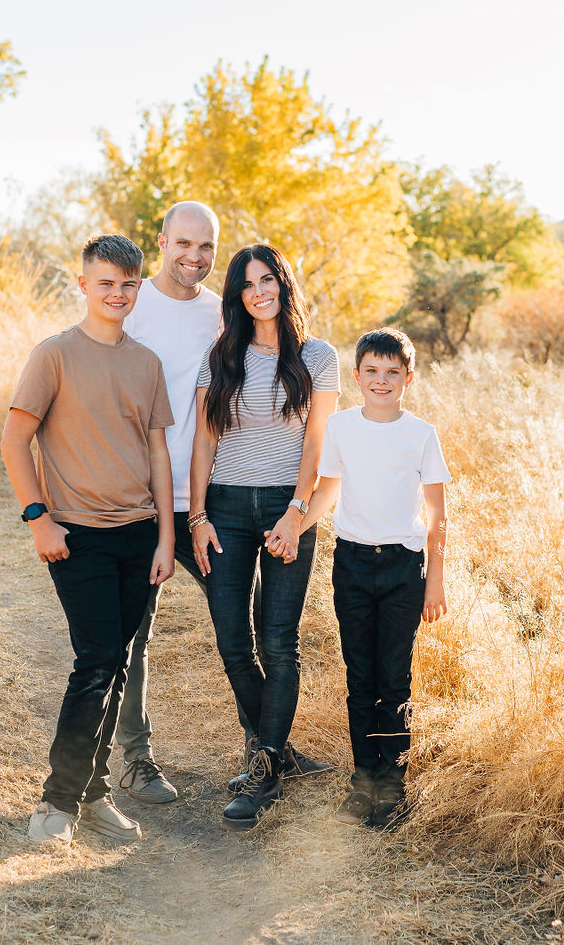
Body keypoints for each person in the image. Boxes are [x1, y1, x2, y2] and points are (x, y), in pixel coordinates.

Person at [1, 233, 176, 845]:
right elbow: (13, 440)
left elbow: (158, 453)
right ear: (83, 285)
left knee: (118, 665)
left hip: (140, 535)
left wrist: (166, 537)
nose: (117, 294)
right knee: (96, 660)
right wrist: (38, 518)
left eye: (128, 284)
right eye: (106, 283)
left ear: (138, 288)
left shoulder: (146, 363)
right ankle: (56, 803)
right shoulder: (53, 356)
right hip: (77, 535)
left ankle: (94, 794)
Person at [189, 243, 339, 829]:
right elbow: (205, 441)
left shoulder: (317, 357)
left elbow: (317, 441)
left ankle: (264, 770)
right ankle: (275, 752)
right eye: (248, 284)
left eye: (268, 279)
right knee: (232, 641)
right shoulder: (221, 356)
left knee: (278, 642)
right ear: (237, 295)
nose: (259, 291)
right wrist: (198, 516)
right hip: (225, 506)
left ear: (284, 284)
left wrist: (296, 514)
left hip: (285, 505)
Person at [299, 327, 450, 828]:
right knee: (361, 678)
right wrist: (294, 525)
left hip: (404, 569)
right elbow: (327, 490)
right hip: (354, 565)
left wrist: (435, 581)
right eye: (371, 371)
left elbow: (437, 515)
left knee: (394, 679)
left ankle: (392, 786)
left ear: (408, 378)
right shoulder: (341, 428)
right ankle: (363, 783)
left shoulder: (421, 434)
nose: (381, 380)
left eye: (392, 372)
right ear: (357, 375)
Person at [112, 200, 223, 806]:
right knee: (133, 635)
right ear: (161, 243)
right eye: (183, 243)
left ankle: (267, 749)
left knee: (246, 621)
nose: (194, 257)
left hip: (206, 500)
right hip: (139, 498)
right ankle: (135, 760)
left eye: (206, 246)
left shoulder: (222, 314)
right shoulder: (131, 305)